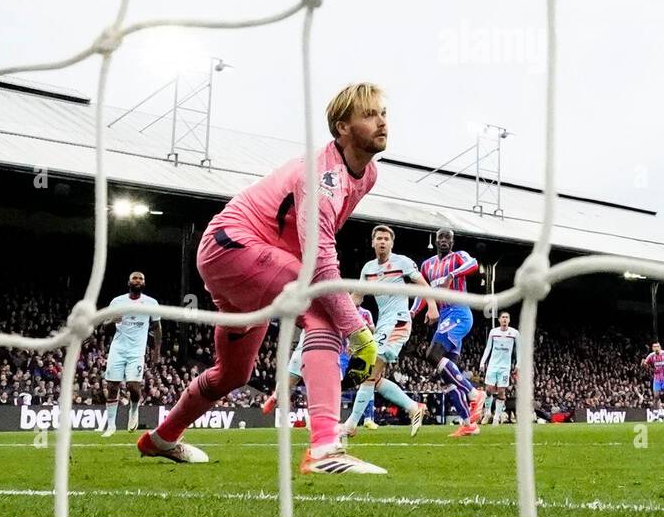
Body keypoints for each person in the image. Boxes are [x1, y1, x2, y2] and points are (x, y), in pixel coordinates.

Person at [139, 82, 384, 475]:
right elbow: (320, 260)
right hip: (234, 247)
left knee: (234, 374)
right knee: (322, 315)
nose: (382, 121)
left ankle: (162, 439)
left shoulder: (368, 174)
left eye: (383, 113)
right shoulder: (321, 176)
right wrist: (359, 333)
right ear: (342, 127)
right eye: (370, 114)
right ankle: (324, 448)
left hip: (249, 260)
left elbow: (312, 242)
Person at [340, 224, 434, 436]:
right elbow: (357, 297)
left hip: (399, 322)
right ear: (373, 242)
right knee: (374, 377)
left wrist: (433, 306)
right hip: (383, 325)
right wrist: (339, 310)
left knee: (369, 373)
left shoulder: (402, 262)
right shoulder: (368, 268)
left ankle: (351, 426)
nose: (382, 242)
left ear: (392, 243)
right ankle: (413, 407)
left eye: (386, 239)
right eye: (379, 238)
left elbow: (422, 284)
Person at [412, 228, 486, 438]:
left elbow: (473, 264)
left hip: (459, 311)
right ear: (435, 241)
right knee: (447, 376)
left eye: (448, 238)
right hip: (444, 317)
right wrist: (413, 312)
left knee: (433, 354)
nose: (444, 241)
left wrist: (452, 275)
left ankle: (474, 393)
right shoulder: (427, 265)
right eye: (441, 238)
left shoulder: (458, 257)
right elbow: (423, 292)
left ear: (452, 242)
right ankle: (467, 424)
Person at [102, 271, 161, 435]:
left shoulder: (151, 303)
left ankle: (134, 410)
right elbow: (104, 327)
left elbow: (156, 328)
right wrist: (111, 320)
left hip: (137, 351)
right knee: (112, 386)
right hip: (118, 349)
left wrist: (156, 352)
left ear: (144, 283)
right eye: (134, 278)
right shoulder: (117, 301)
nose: (137, 280)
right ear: (128, 282)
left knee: (133, 387)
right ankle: (111, 426)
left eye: (141, 278)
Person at [480, 311, 519, 424]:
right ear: (499, 320)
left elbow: (519, 350)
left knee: (501, 391)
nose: (505, 319)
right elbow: (488, 348)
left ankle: (496, 417)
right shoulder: (493, 332)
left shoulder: (514, 333)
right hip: (492, 365)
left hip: (504, 367)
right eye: (503, 317)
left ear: (509, 320)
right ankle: (487, 413)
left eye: (507, 317)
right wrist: (482, 362)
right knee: (488, 390)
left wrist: (518, 364)